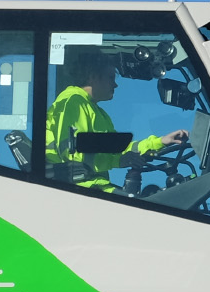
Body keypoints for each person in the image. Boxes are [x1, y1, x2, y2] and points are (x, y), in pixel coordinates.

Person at [44, 48, 188, 192]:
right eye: (110, 78)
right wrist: (119, 161)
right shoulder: (73, 102)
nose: (115, 84)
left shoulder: (98, 113)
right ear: (92, 77)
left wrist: (160, 141)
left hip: (92, 186)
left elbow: (120, 150)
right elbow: (75, 156)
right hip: (78, 189)